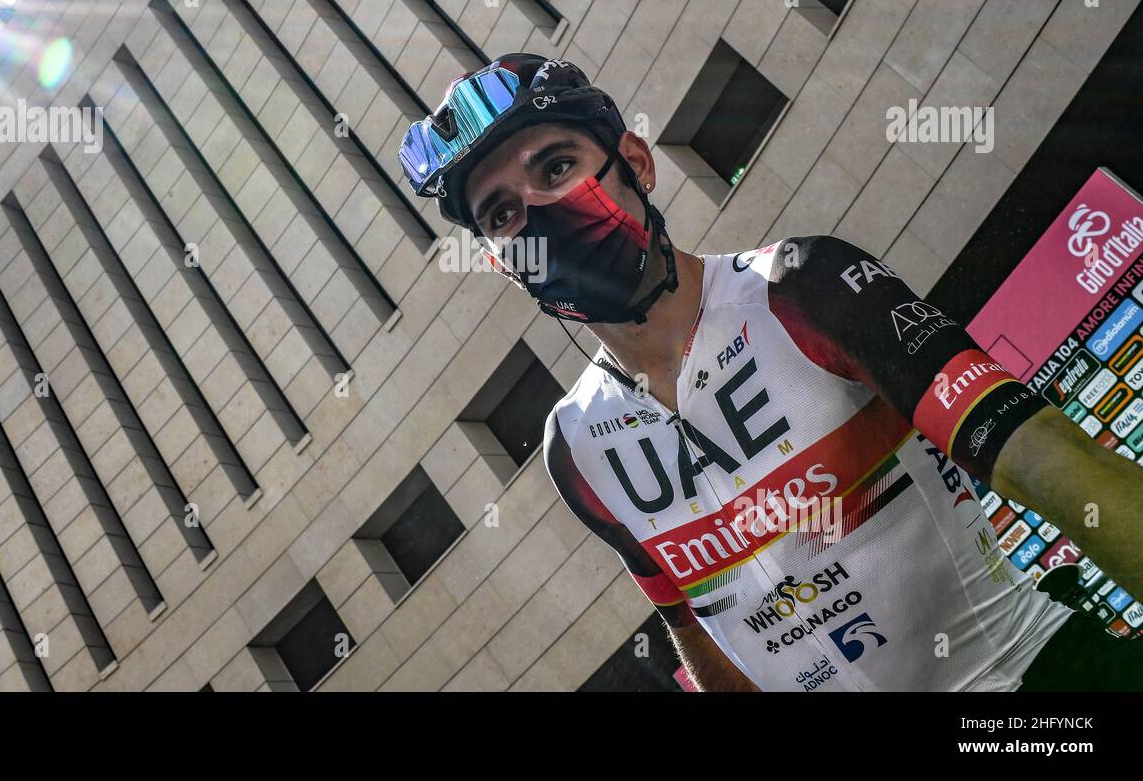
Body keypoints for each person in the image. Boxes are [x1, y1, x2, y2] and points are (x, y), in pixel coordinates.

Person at [398, 53, 1143, 691]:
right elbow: (691, 625)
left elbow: (1043, 457)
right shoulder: (576, 447)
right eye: (500, 215)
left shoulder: (801, 284)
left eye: (556, 167)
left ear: (636, 163)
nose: (536, 212)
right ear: (501, 261)